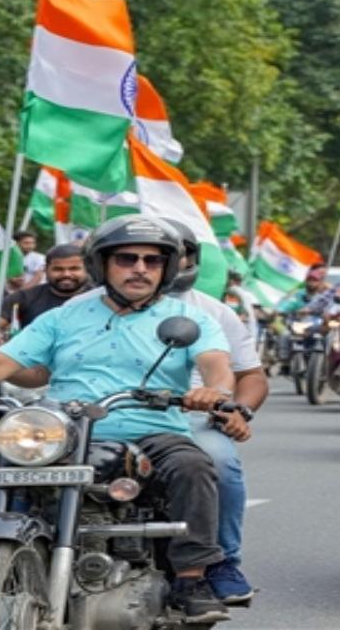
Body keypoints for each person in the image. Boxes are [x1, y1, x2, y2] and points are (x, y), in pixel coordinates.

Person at [0, 215, 236, 624]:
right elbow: (4, 359)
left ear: (167, 269)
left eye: (152, 261)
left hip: (151, 430)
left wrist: (214, 391)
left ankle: (191, 578)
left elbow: (216, 365)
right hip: (60, 431)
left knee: (193, 466)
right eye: (127, 258)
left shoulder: (191, 321)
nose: (139, 268)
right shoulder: (65, 316)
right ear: (102, 265)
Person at [63, 218, 269, 603]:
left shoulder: (211, 312)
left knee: (217, 462)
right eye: (128, 258)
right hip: (95, 413)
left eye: (160, 257)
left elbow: (249, 376)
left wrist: (233, 409)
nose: (142, 267)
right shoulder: (80, 308)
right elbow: (31, 363)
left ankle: (218, 562)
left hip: (190, 415)